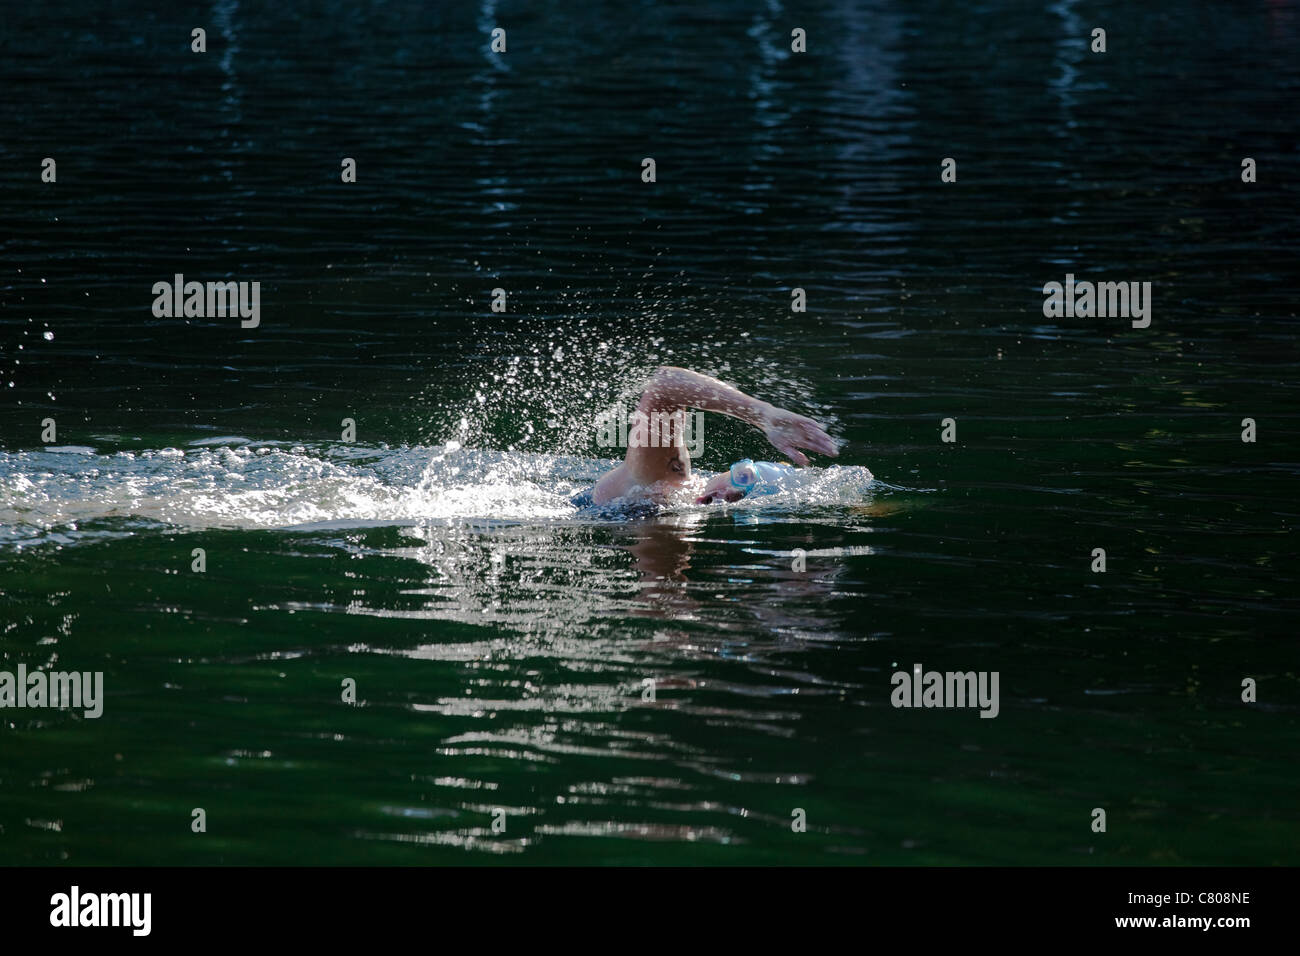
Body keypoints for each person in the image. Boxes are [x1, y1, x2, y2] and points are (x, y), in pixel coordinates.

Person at [572, 366, 839, 508]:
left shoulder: (682, 501)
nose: (729, 492)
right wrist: (762, 414)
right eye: (742, 475)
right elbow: (665, 382)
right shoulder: (665, 474)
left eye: (743, 492)